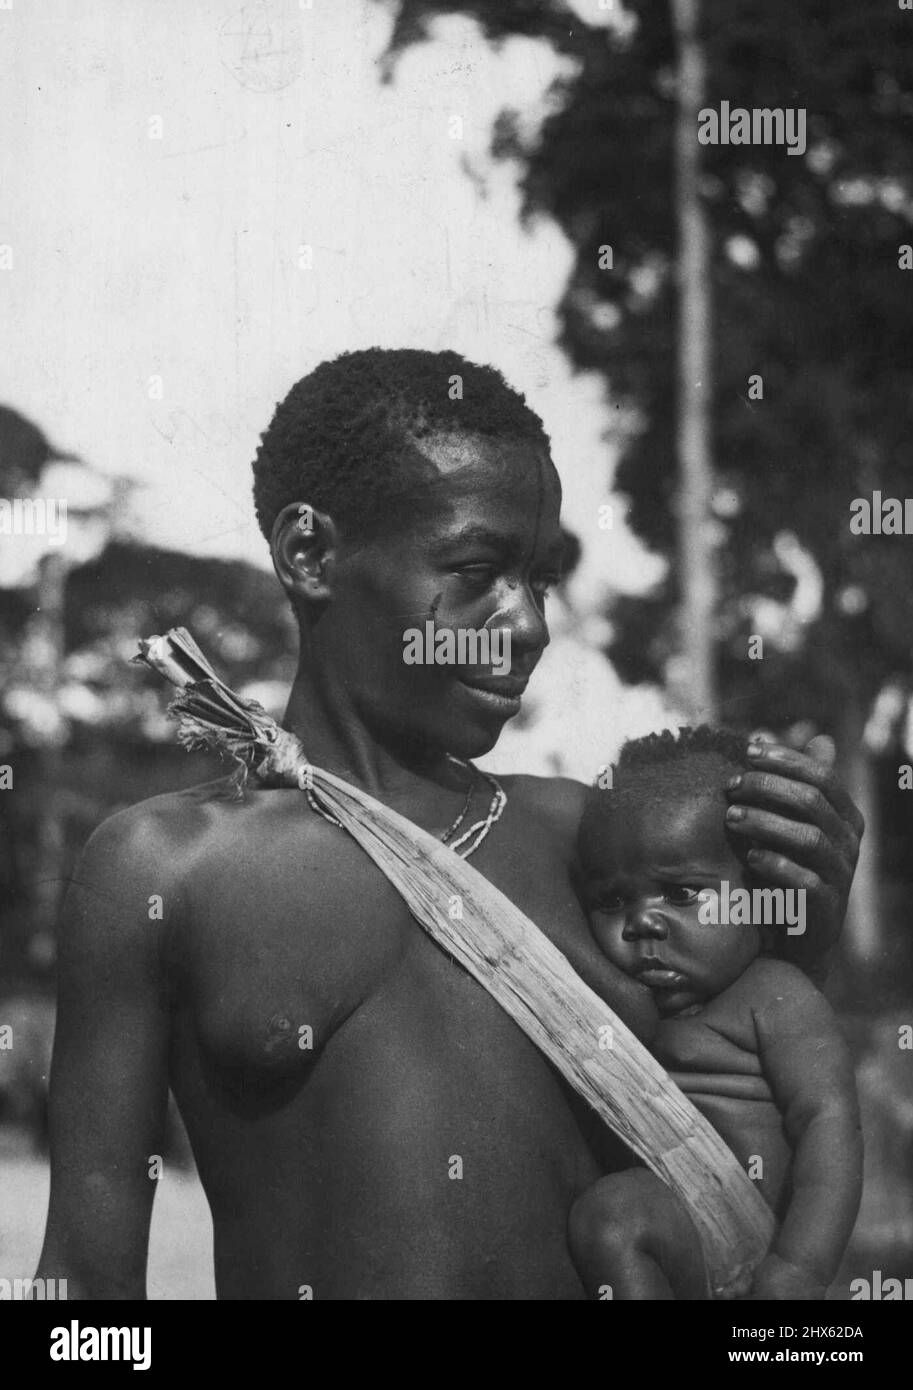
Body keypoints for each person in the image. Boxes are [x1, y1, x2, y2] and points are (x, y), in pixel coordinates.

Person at [36, 349, 863, 1299]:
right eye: (476, 570)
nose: (528, 626)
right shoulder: (164, 869)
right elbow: (88, 1291)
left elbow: (755, 1138)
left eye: (540, 580)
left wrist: (800, 938)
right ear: (310, 554)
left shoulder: (597, 846)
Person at [569, 727, 864, 1300]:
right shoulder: (622, 1008)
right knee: (612, 1219)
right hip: (679, 1249)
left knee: (613, 1214)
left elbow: (830, 1126)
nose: (642, 923)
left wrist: (800, 1269)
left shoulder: (774, 994)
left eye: (682, 895)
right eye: (612, 900)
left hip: (757, 1249)